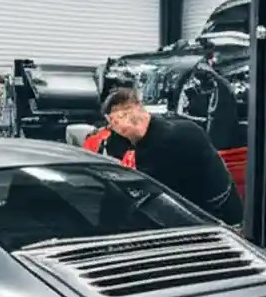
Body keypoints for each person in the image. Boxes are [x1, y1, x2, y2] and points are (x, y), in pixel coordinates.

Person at [100, 87, 243, 225]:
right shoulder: (176, 125)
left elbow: (147, 197)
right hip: (227, 210)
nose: (112, 128)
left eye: (114, 123)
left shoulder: (159, 148)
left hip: (214, 222)